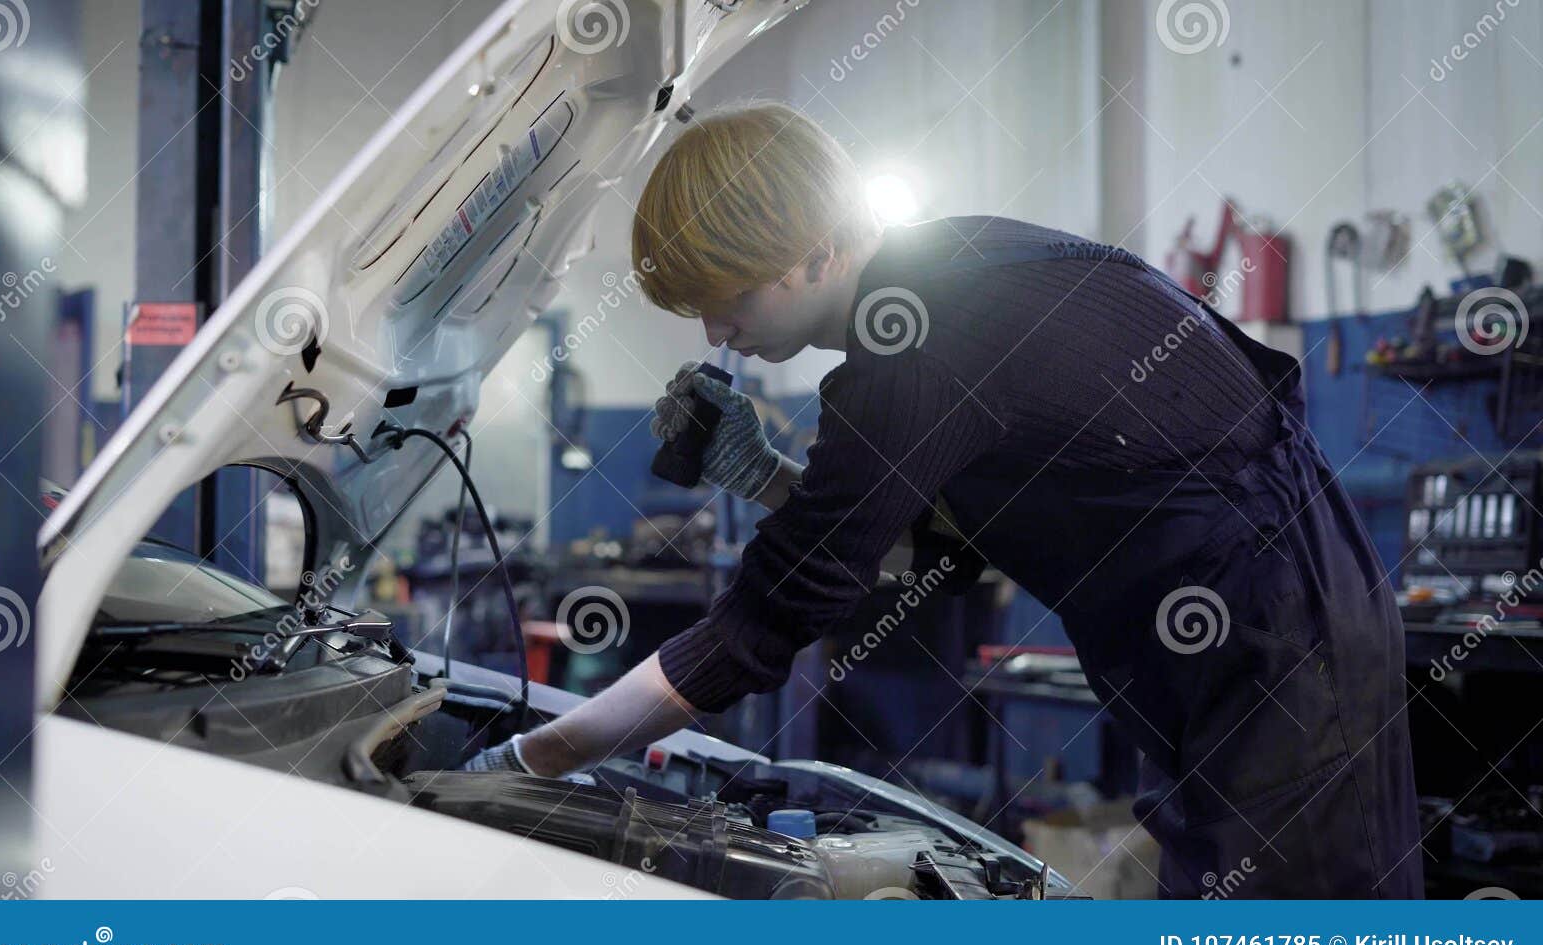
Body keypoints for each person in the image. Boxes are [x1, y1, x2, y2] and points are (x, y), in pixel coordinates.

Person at [465, 102, 1422, 898]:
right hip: (1251, 632)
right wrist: (763, 476)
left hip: (1279, 645)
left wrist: (536, 759)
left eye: (731, 297)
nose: (717, 328)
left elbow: (768, 618)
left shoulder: (922, 339)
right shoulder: (937, 284)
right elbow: (937, 558)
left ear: (816, 251)